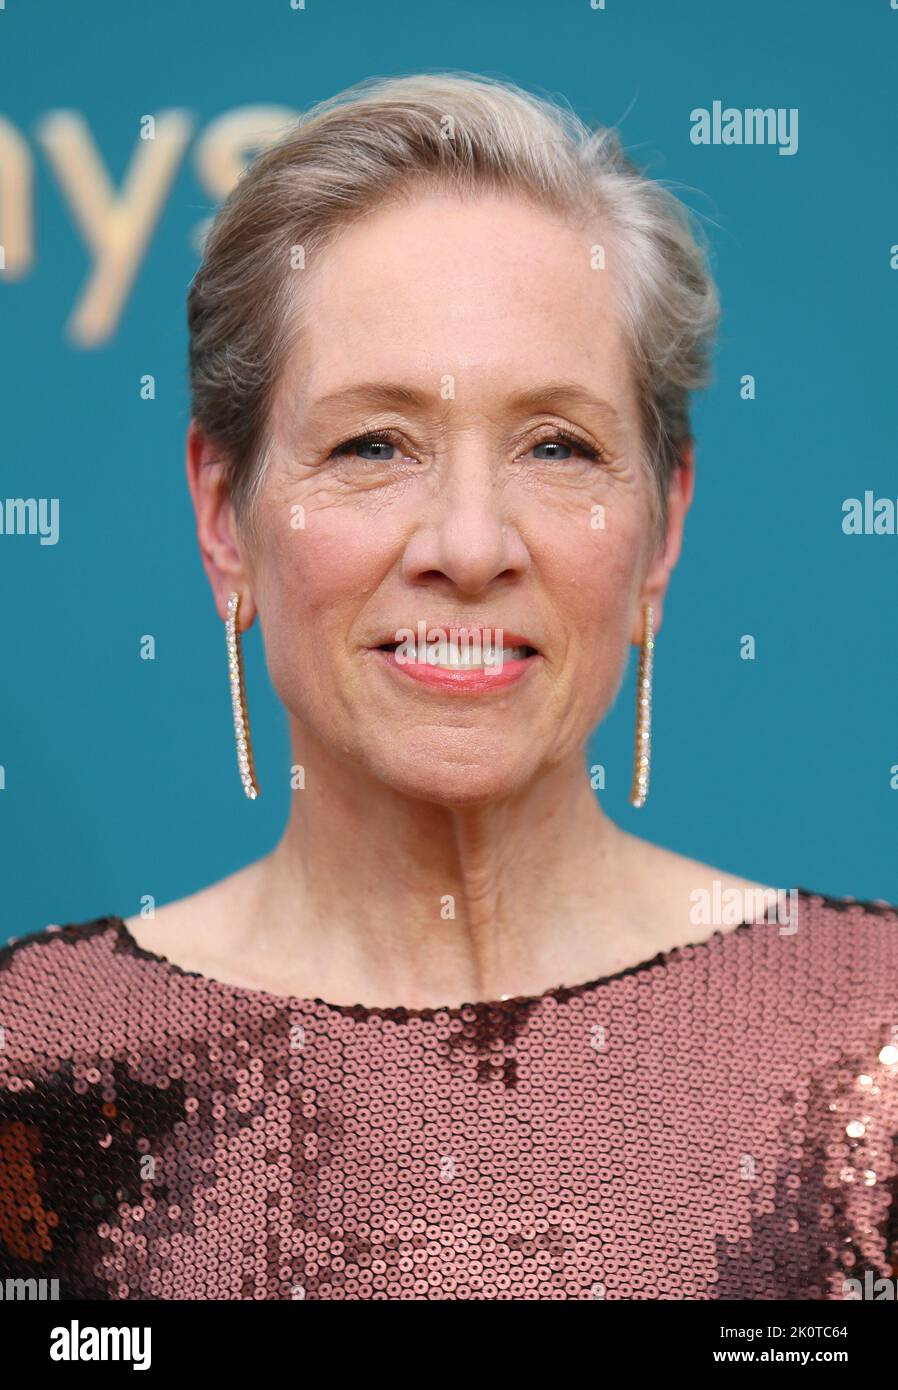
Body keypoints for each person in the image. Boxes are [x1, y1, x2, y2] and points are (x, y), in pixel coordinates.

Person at [2, 72, 896, 1300]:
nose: (470, 545)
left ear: (663, 524)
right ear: (224, 513)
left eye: (557, 445)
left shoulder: (870, 1040)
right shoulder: (35, 1060)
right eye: (373, 443)